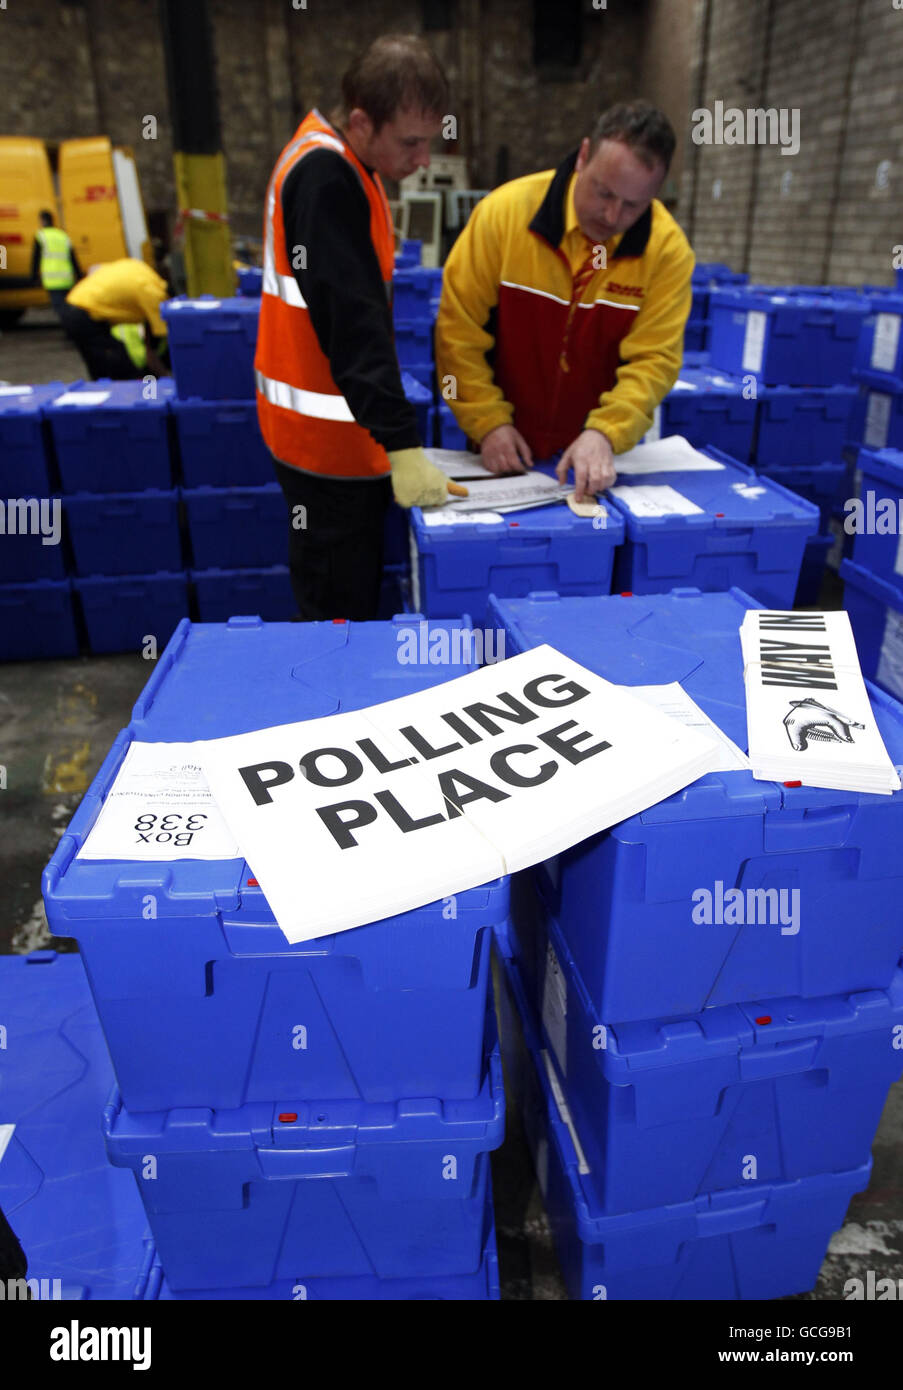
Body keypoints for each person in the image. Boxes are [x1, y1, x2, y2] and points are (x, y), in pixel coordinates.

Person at [255, 33, 465, 623]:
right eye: (412, 142)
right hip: (324, 453)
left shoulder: (351, 166)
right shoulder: (325, 178)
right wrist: (402, 443)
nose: (424, 159)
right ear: (361, 121)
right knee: (336, 618)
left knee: (347, 601)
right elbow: (353, 324)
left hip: (339, 440)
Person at [435, 101, 694, 501]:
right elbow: (456, 332)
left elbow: (654, 360)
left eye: (633, 205)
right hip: (497, 451)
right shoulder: (502, 217)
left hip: (595, 466)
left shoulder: (667, 252)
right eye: (604, 192)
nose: (611, 215)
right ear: (584, 156)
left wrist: (606, 432)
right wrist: (486, 422)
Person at [60, 257, 170, 381]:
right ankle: (115, 395)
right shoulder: (154, 295)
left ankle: (108, 391)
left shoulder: (147, 275)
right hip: (84, 314)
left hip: (78, 304)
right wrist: (166, 377)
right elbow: (160, 339)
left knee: (106, 364)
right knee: (115, 365)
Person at [30, 210, 82, 317]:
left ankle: (71, 328)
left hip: (52, 280)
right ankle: (74, 325)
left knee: (60, 309)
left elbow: (36, 259)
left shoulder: (41, 236)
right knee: (68, 307)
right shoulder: (63, 235)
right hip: (67, 279)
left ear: (42, 221)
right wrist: (79, 275)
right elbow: (73, 258)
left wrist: (34, 277)